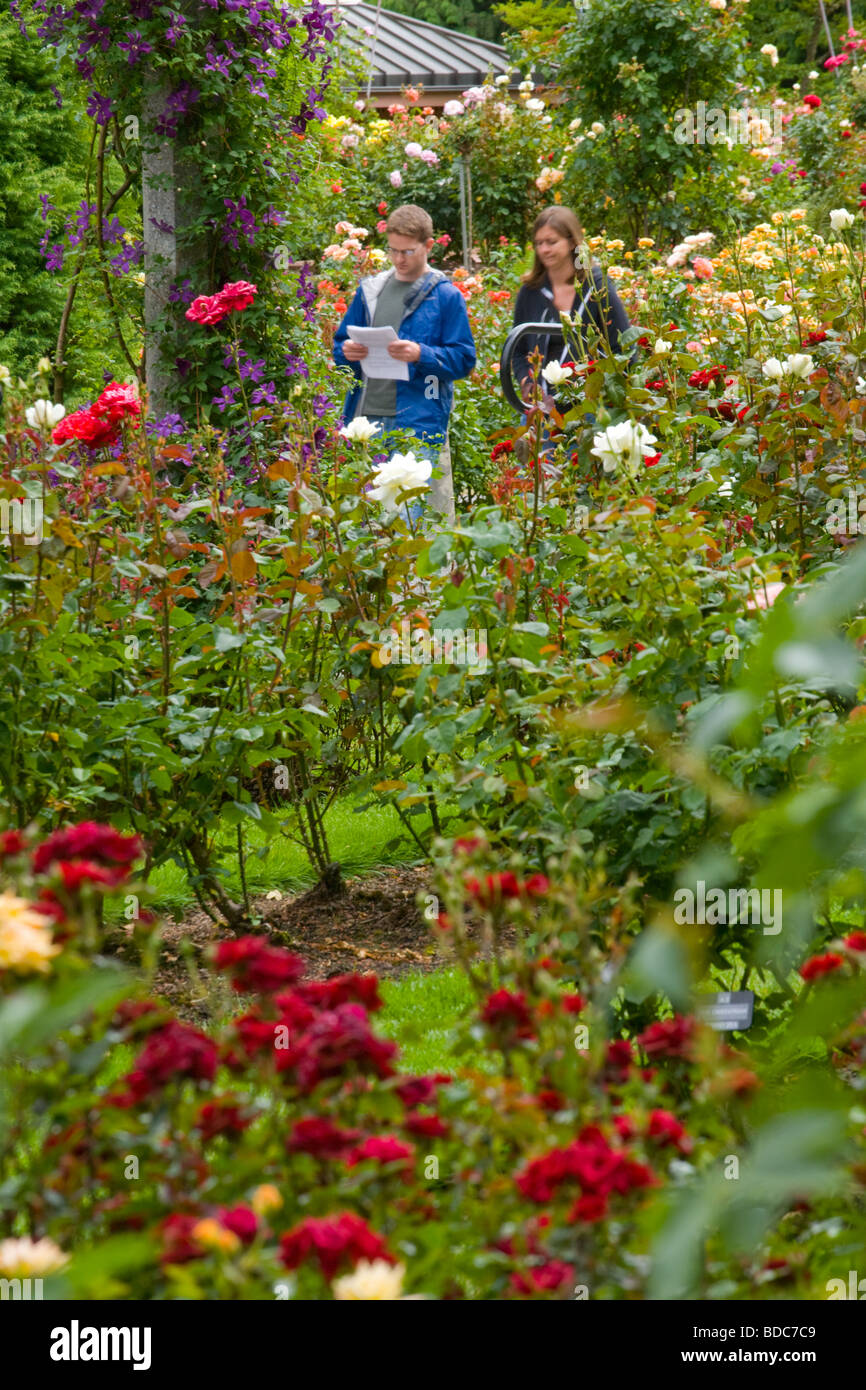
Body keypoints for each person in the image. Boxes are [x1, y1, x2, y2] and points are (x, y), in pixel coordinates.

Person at [333, 204, 476, 522]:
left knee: (415, 519)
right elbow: (340, 347)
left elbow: (464, 359)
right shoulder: (370, 291)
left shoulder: (445, 296)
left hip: (420, 422)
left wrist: (420, 354)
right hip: (367, 422)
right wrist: (348, 352)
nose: (399, 259)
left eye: (408, 251)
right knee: (369, 520)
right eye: (393, 251)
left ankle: (425, 574)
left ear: (428, 246)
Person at [511, 206, 632, 406]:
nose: (544, 249)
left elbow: (622, 348)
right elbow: (518, 349)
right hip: (543, 409)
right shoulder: (531, 292)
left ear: (571, 242)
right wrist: (526, 381)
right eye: (539, 243)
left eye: (551, 242)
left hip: (590, 408)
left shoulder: (597, 288)